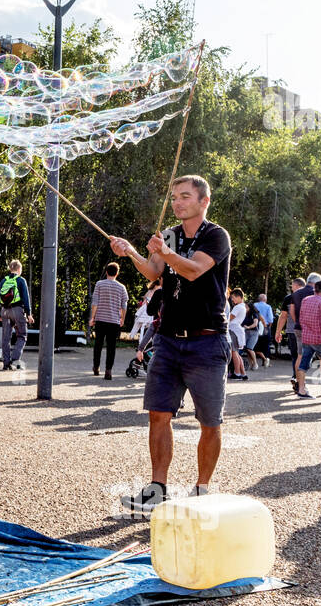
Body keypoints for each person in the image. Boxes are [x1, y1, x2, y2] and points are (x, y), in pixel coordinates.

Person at [109, 175, 232, 513]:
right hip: (167, 340)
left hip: (207, 342)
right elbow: (153, 272)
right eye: (175, 197)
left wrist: (165, 251)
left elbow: (193, 271)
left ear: (204, 201)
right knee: (158, 415)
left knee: (209, 421)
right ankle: (157, 490)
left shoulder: (216, 236)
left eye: (185, 197)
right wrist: (131, 251)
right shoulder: (169, 235)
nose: (178, 203)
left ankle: (202, 492)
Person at [89, 262, 128, 380]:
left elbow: (95, 302)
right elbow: (124, 305)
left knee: (98, 344)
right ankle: (108, 370)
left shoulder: (99, 284)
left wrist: (92, 317)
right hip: (114, 321)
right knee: (111, 346)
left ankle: (96, 367)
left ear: (106, 272)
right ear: (117, 273)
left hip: (100, 319)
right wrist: (122, 318)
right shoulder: (122, 287)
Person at [0, 260, 32, 371]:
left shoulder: (4, 280)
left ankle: (6, 363)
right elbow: (26, 298)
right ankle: (15, 359)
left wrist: (0, 312)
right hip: (17, 310)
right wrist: (29, 314)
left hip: (4, 311)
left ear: (10, 269)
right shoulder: (21, 280)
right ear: (19, 269)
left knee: (6, 338)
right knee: (22, 335)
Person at [227, 288, 250, 379]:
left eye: (233, 297)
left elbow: (229, 319)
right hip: (236, 330)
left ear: (239, 297)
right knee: (236, 353)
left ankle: (237, 373)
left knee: (234, 353)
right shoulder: (243, 306)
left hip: (233, 330)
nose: (232, 300)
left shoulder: (238, 307)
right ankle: (243, 373)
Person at [253, 294, 273, 365]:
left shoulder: (254, 305)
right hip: (265, 326)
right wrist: (268, 327)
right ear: (265, 299)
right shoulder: (268, 307)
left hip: (255, 326)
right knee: (266, 344)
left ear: (258, 299)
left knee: (255, 343)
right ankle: (265, 361)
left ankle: (253, 361)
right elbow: (270, 319)